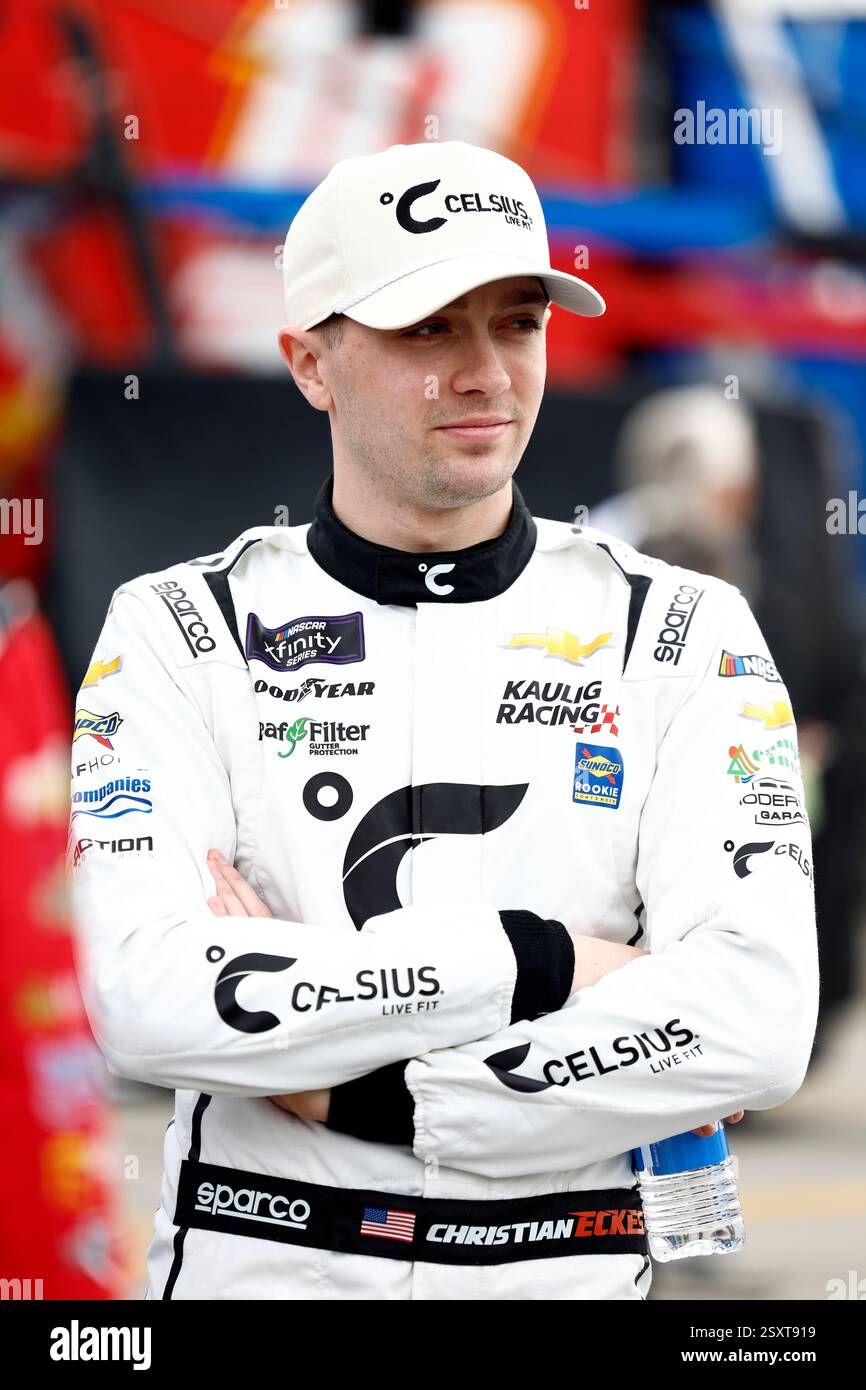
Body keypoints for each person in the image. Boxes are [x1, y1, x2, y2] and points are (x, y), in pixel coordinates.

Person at [68, 140, 818, 1301]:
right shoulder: (178, 626)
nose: (483, 373)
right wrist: (546, 960)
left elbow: (755, 1023)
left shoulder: (682, 630)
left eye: (515, 323)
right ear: (308, 362)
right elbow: (146, 1004)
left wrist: (359, 1089)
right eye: (428, 329)